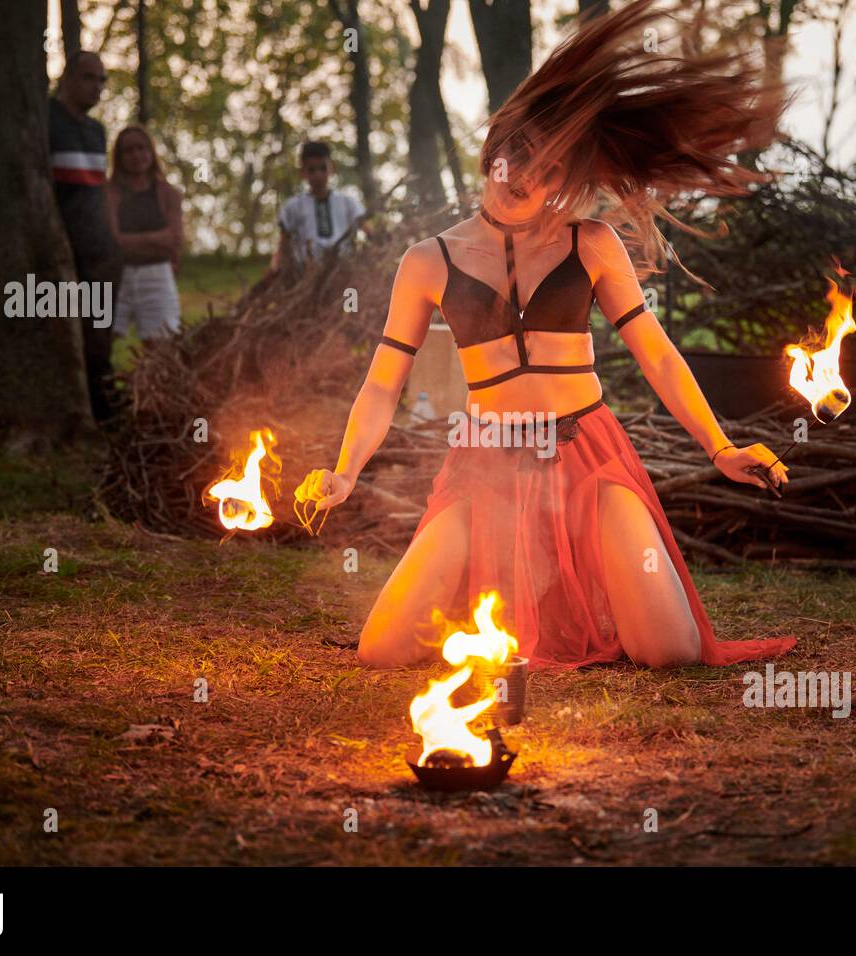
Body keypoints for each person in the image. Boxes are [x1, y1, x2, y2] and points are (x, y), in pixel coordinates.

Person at [293, 0, 797, 671]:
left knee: (668, 651)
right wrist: (347, 468)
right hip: (485, 463)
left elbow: (656, 353)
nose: (524, 176)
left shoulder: (591, 243)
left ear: (565, 179)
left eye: (547, 168)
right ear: (492, 152)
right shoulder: (427, 261)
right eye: (516, 155)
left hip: (586, 452)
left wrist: (721, 445)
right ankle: (505, 617)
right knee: (381, 649)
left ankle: (592, 596)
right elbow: (384, 381)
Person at [49, 50, 122, 422]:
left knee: (99, 336)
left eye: (102, 80)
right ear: (68, 79)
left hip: (100, 251)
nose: (97, 87)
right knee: (66, 335)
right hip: (64, 252)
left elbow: (100, 190)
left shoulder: (97, 132)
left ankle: (103, 413)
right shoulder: (47, 120)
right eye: (89, 78)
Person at [105, 125, 184, 341]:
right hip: (114, 278)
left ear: (151, 152)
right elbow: (112, 241)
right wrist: (156, 237)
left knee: (163, 348)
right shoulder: (108, 193)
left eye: (141, 148)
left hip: (157, 276)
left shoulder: (169, 193)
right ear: (119, 157)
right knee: (98, 344)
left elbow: (175, 239)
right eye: (128, 150)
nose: (136, 155)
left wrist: (128, 240)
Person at [271, 141, 367, 276]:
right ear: (303, 172)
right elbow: (283, 245)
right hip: (305, 275)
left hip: (344, 272)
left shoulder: (348, 203)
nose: (318, 175)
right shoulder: (293, 207)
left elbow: (367, 229)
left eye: (323, 168)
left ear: (331, 168)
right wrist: (275, 269)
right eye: (311, 170)